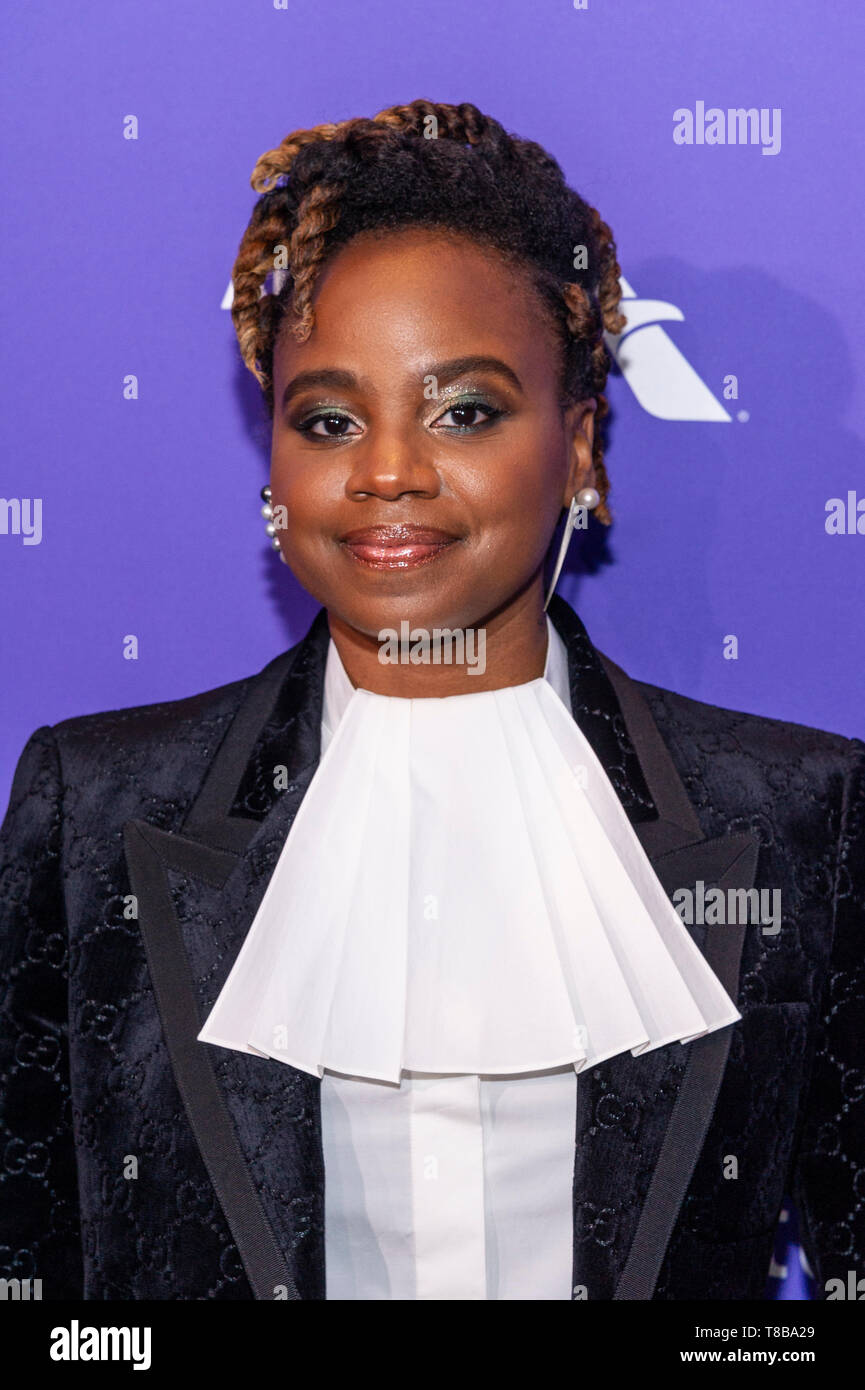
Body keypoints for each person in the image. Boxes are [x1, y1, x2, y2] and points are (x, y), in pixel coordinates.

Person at [0, 99, 862, 1302]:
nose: (388, 469)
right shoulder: (94, 812)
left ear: (576, 447)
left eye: (463, 409)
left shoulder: (796, 818)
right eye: (329, 418)